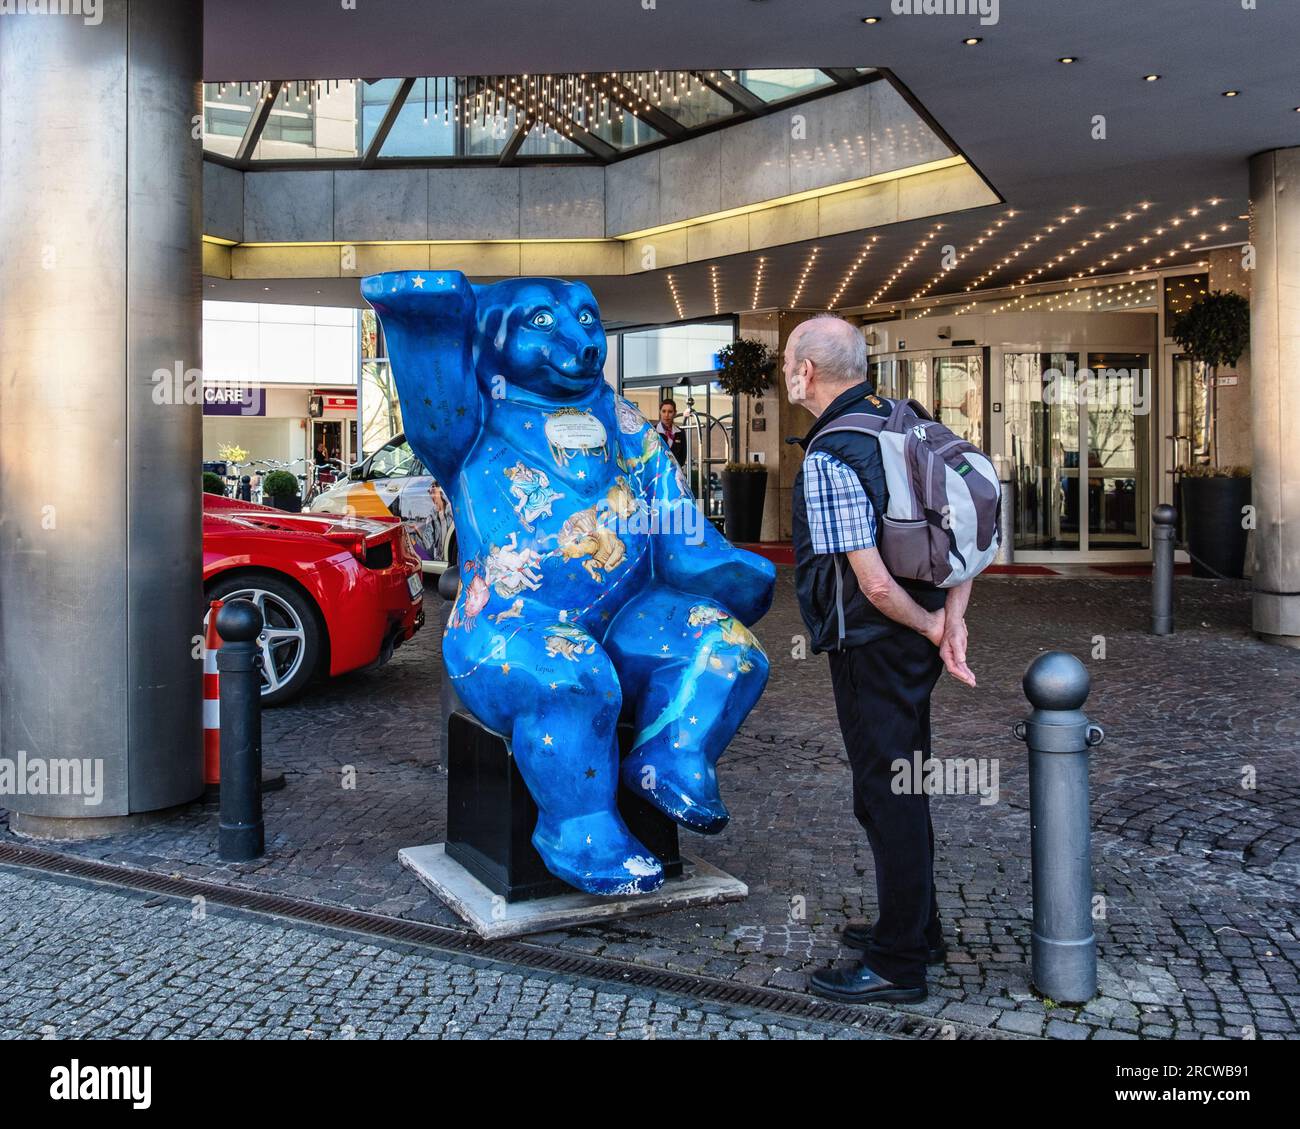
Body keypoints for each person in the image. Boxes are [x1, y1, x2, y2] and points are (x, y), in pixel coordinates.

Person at [785, 315, 977, 1006]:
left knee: (885, 792)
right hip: (909, 640)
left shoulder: (832, 452)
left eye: (787, 363)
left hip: (874, 641)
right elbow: (969, 525)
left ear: (806, 371)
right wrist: (950, 618)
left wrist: (932, 624)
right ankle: (915, 927)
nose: (786, 373)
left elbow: (869, 580)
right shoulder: (907, 419)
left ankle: (898, 963)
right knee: (904, 779)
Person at [654, 398, 687, 465]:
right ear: (660, 412)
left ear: (675, 413)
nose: (666, 415)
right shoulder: (652, 431)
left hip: (674, 473)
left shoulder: (680, 432)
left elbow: (682, 457)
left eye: (670, 412)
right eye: (664, 411)